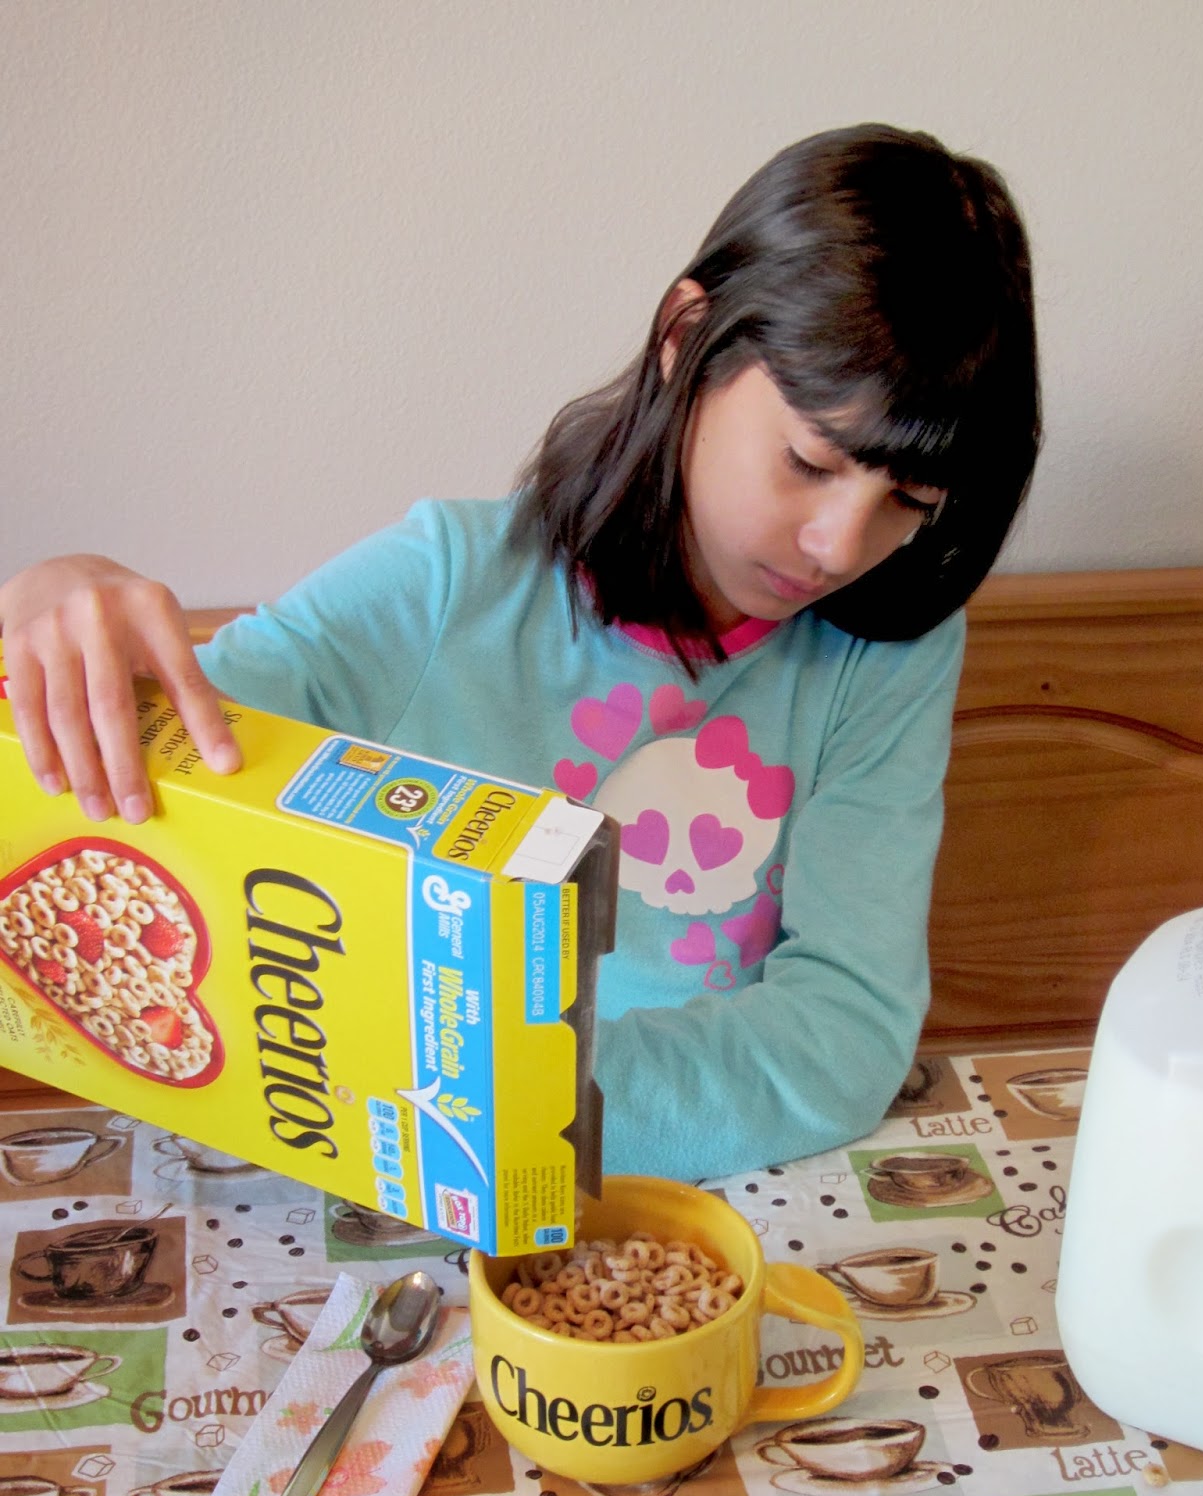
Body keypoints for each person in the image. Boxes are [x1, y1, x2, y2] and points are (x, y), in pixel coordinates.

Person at [0, 124, 1040, 1182]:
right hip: (398, 1168)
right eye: (808, 461)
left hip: (688, 1188)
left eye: (909, 502)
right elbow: (137, 780)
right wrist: (50, 598)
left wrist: (504, 1109)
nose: (840, 548)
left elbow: (846, 1032)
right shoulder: (448, 581)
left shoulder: (886, 647)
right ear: (687, 336)